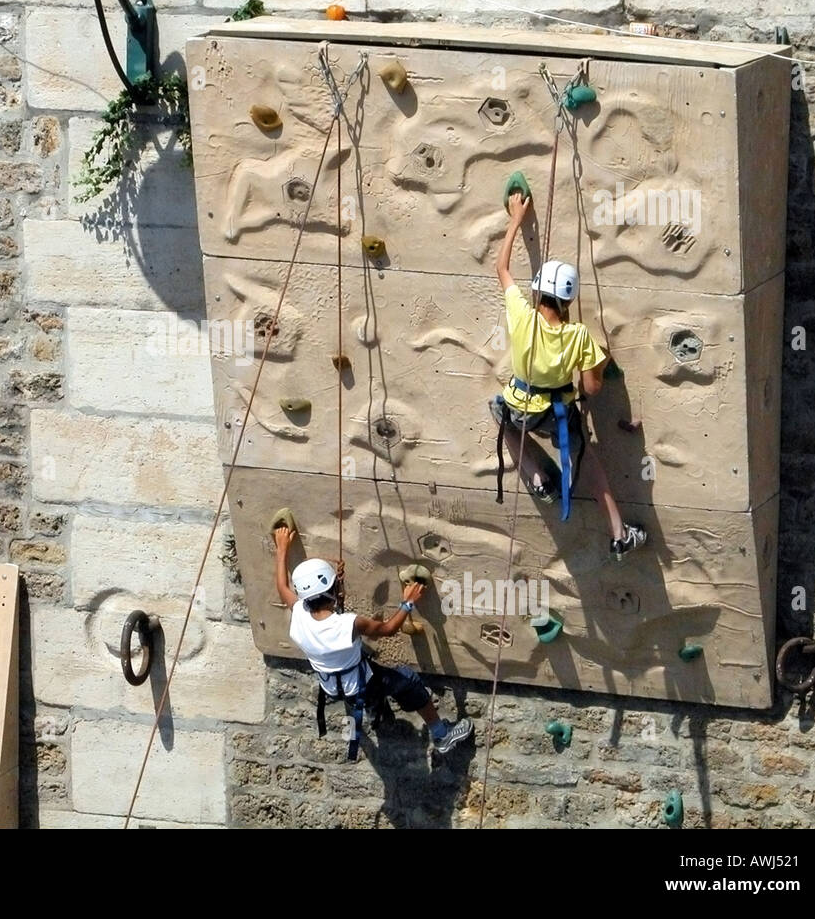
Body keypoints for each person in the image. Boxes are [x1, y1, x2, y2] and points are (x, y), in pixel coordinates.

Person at [492, 186, 647, 560]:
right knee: (588, 462)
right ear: (568, 300)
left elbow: (502, 268)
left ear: (538, 294)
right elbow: (591, 389)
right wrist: (601, 362)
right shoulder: (578, 336)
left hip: (519, 406)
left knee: (501, 416)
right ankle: (618, 533)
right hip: (558, 413)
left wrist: (515, 221)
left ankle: (539, 477)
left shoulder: (521, 316)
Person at [272, 524, 474, 757]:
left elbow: (282, 586)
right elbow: (388, 629)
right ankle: (441, 735)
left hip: (332, 686)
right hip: (361, 684)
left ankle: (373, 707)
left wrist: (281, 548)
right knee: (408, 680)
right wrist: (408, 602)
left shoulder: (298, 614)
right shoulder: (349, 623)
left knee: (365, 669)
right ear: (332, 588)